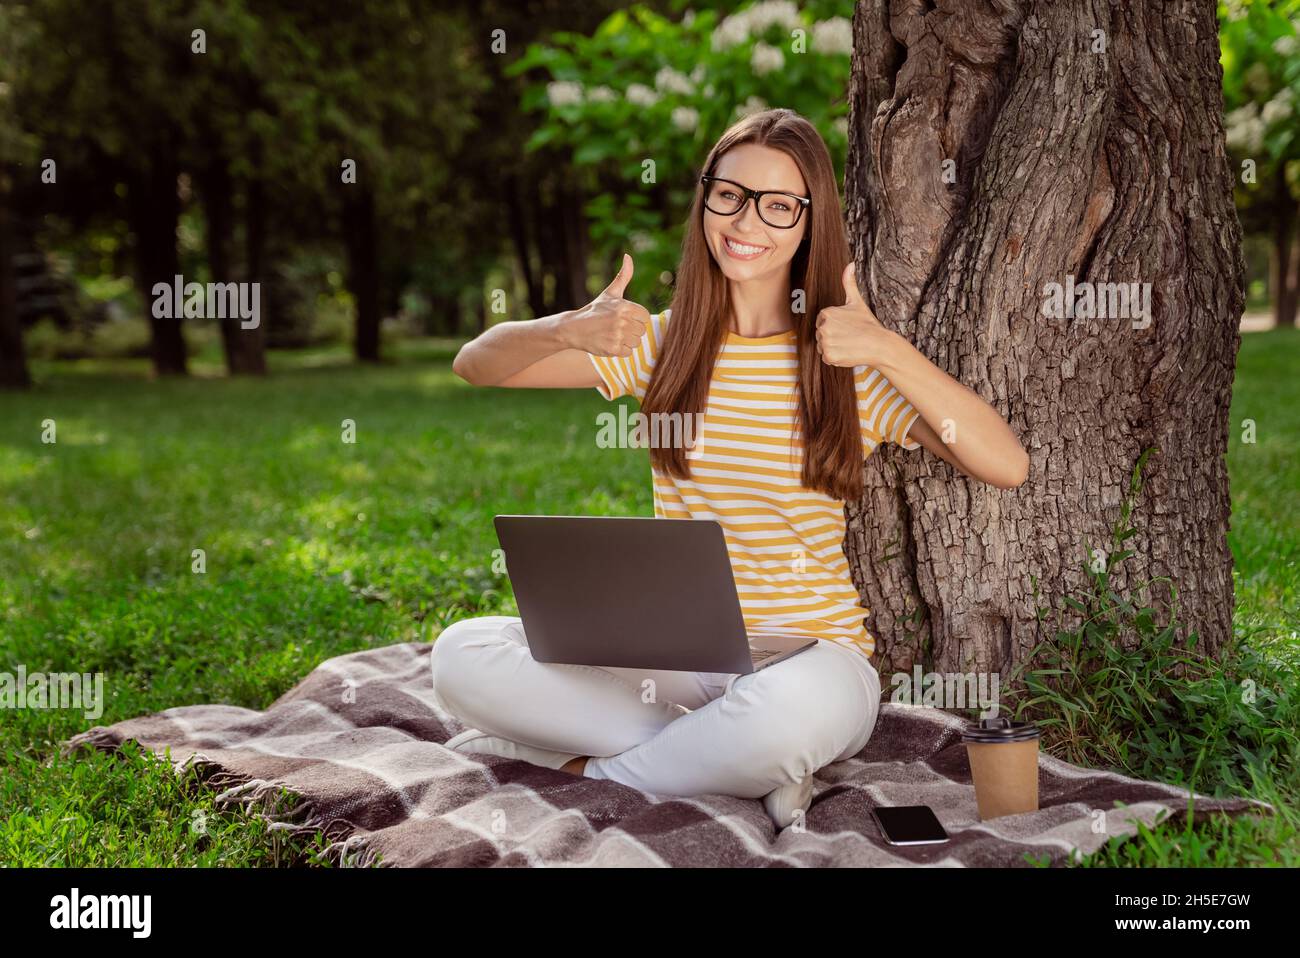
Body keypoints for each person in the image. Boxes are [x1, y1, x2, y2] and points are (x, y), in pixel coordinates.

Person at [435, 107, 1028, 830]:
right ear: (706, 197)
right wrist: (565, 327)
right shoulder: (662, 345)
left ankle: (595, 773)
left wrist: (887, 349)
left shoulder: (844, 362)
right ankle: (725, 767)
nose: (747, 223)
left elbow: (1006, 464)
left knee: (781, 720)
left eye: (779, 206)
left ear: (809, 222)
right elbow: (477, 365)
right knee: (460, 654)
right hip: (670, 668)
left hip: (814, 658)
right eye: (730, 195)